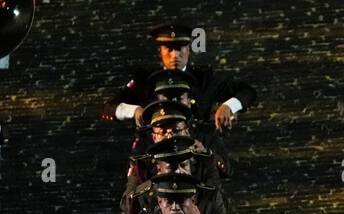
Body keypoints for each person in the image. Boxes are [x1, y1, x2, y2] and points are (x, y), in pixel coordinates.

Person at [103, 22, 257, 132]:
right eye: (169, 49)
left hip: (198, 149)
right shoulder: (145, 80)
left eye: (179, 48)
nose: (174, 55)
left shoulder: (204, 78)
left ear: (189, 49)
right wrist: (135, 110)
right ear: (161, 51)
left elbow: (247, 91)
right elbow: (110, 107)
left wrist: (229, 106)